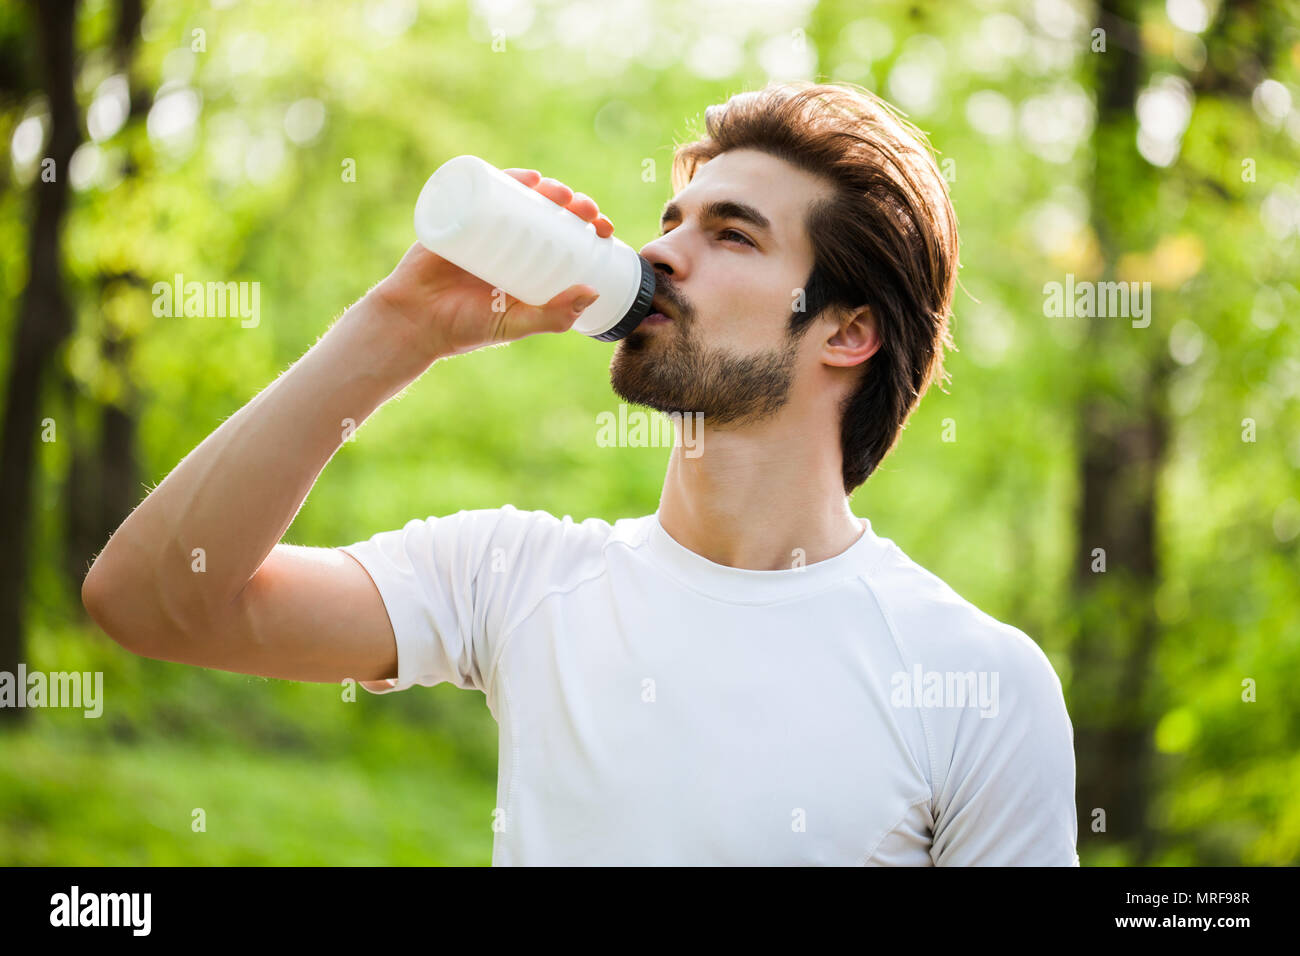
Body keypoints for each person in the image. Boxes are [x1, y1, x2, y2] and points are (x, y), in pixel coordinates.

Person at [84, 81, 1079, 866]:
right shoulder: (509, 576)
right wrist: (397, 328)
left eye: (729, 232)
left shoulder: (979, 685)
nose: (658, 252)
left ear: (847, 329)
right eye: (671, 219)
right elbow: (152, 601)